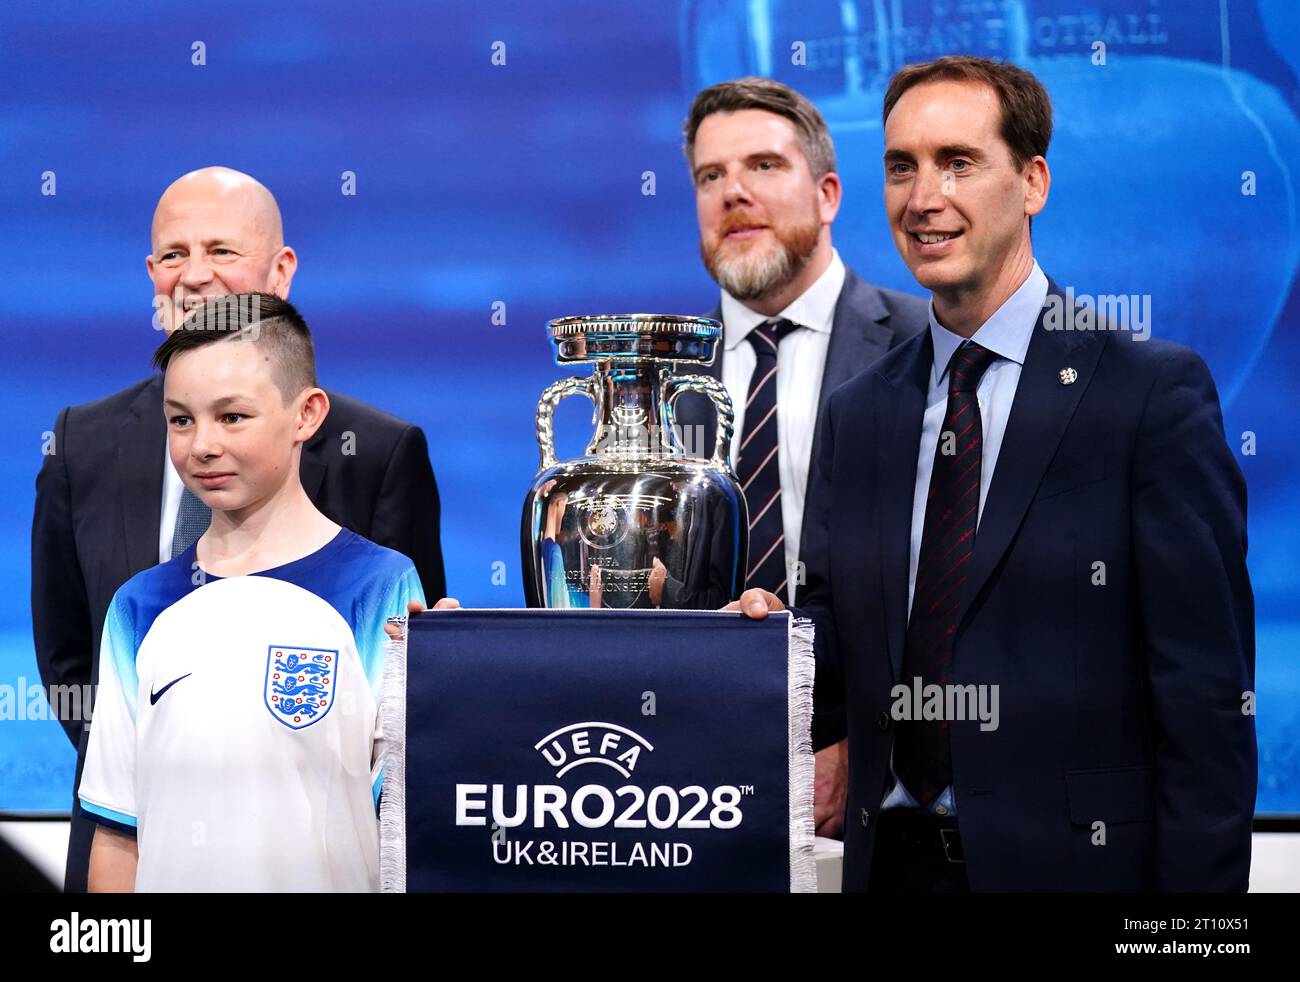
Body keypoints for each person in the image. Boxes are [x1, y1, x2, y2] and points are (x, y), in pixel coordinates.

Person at [731, 55, 1256, 891]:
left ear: (1033, 182)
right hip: (892, 869)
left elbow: (1206, 703)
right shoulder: (861, 412)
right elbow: (841, 632)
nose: (922, 196)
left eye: (958, 162)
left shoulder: (1149, 392)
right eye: (901, 166)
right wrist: (759, 635)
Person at [32, 166, 445, 892]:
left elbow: (405, 779)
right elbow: (74, 669)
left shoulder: (381, 475)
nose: (194, 277)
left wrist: (456, 672)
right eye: (173, 255)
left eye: (221, 251)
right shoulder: (82, 451)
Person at [80, 293, 424, 892]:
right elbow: (117, 831)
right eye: (181, 419)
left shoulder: (380, 588)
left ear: (307, 414)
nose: (202, 445)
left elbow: (410, 818)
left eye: (232, 417)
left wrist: (461, 676)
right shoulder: (139, 607)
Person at [673, 79, 927, 836]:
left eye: (763, 166)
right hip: (686, 774)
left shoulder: (927, 345)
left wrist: (869, 743)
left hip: (889, 793)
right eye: (709, 176)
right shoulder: (657, 379)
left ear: (827, 194)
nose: (733, 193)